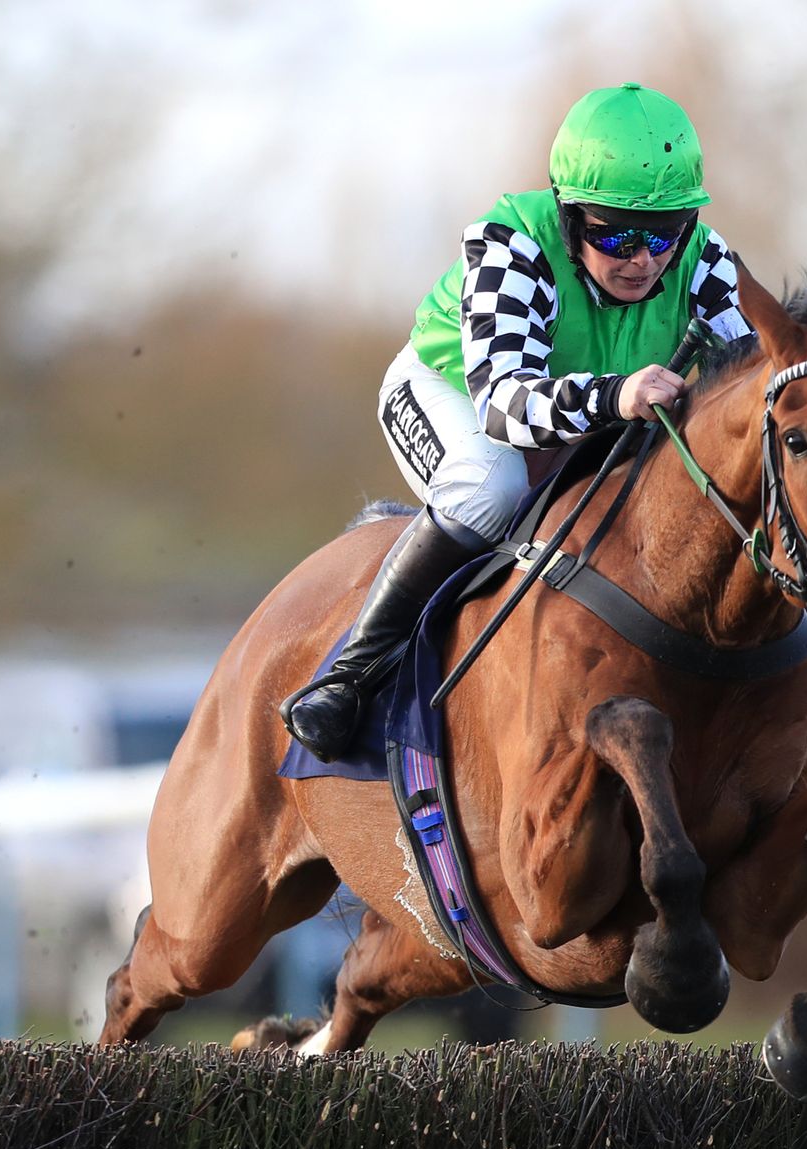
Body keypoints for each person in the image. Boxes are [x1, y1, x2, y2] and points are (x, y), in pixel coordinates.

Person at [285, 83, 754, 760]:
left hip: (592, 417)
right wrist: (616, 395)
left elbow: (745, 392)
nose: (642, 259)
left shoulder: (704, 261)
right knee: (490, 486)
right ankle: (349, 675)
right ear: (568, 217)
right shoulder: (514, 246)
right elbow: (503, 405)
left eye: (662, 235)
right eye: (614, 232)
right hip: (454, 395)